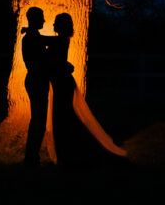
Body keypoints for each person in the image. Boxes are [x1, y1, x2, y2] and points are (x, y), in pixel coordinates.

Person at [47, 12, 129, 170]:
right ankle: (69, 152)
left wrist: (30, 32)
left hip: (62, 83)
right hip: (61, 82)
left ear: (61, 26)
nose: (53, 25)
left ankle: (72, 152)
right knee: (63, 116)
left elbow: (49, 50)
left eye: (56, 22)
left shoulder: (60, 40)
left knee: (63, 116)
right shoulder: (61, 40)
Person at [20, 6, 53, 168]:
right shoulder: (30, 38)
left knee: (38, 120)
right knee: (38, 120)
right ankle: (31, 157)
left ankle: (32, 156)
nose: (44, 21)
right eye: (41, 18)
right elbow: (33, 64)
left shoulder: (33, 36)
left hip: (37, 80)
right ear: (34, 19)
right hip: (36, 81)